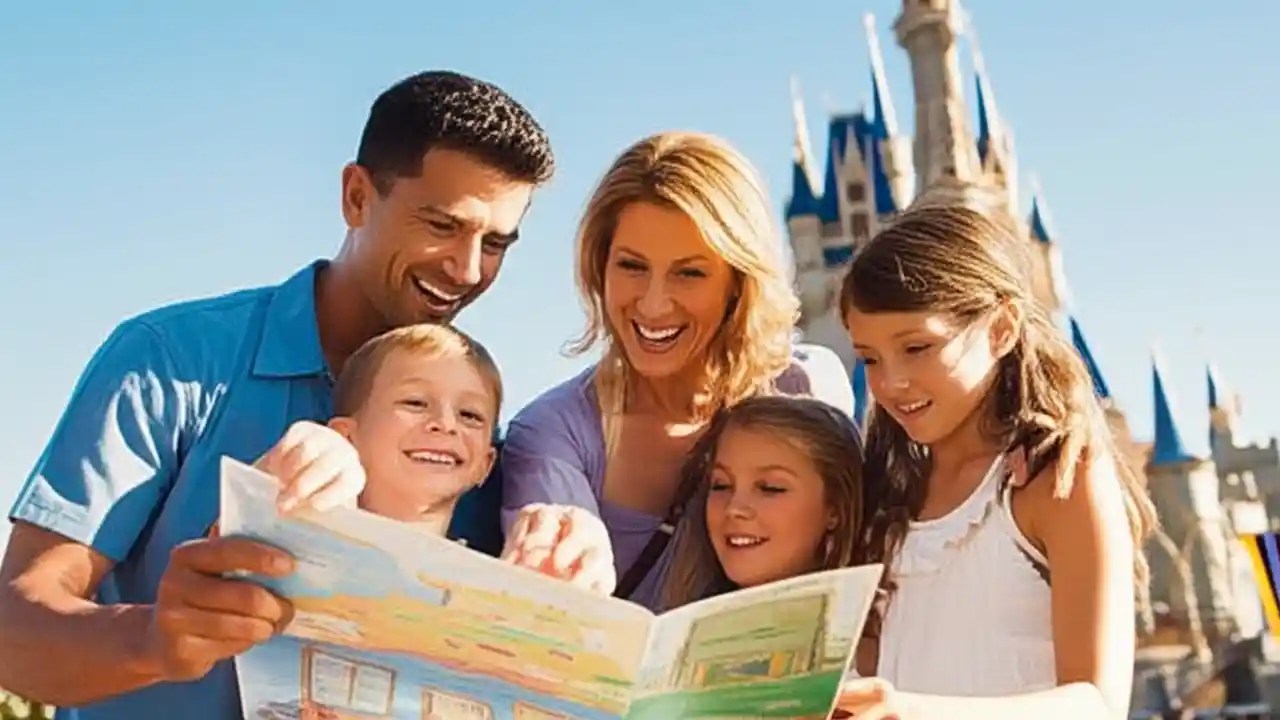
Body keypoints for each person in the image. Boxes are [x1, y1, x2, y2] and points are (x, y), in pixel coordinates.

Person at [0, 69, 554, 720]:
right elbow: (14, 633)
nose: (467, 270)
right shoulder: (169, 359)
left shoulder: (472, 444)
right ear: (355, 196)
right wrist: (153, 638)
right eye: (440, 224)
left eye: (495, 244)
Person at [498, 131, 854, 609]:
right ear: (598, 269)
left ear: (738, 283)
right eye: (631, 266)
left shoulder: (807, 387)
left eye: (689, 272)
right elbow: (558, 611)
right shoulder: (553, 432)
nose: (653, 303)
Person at [831, 204, 1157, 720]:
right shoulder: (887, 499)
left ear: (1001, 328)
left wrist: (911, 712)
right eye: (870, 358)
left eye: (918, 347)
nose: (891, 382)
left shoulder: (1056, 477)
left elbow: (1096, 703)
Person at [327, 323, 504, 535]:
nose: (446, 424)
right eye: (416, 403)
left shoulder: (485, 569)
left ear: (486, 464)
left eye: (469, 415)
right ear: (345, 438)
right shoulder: (288, 546)